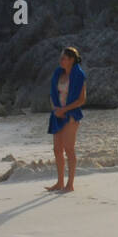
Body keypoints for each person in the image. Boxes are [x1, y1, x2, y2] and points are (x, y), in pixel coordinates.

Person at [44, 46, 86, 193]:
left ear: (72, 60)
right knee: (57, 150)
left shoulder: (79, 75)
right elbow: (52, 94)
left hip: (71, 115)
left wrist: (65, 110)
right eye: (61, 57)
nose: (61, 60)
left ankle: (70, 184)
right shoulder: (58, 73)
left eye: (64, 58)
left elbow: (81, 99)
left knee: (69, 149)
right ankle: (60, 182)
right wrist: (56, 109)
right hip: (57, 114)